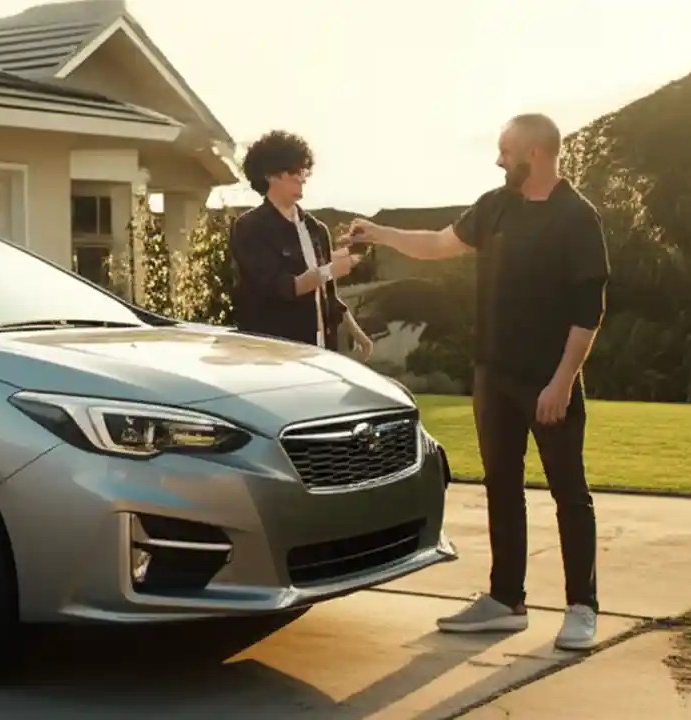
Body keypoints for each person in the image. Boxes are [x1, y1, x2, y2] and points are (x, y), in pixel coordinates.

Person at [344, 113, 610, 651]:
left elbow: (589, 312)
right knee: (501, 488)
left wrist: (562, 382)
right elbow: (438, 243)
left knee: (569, 495)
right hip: (494, 374)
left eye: (504, 150)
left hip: (548, 379)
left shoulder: (577, 218)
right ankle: (505, 600)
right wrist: (380, 233)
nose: (497, 159)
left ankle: (582, 606)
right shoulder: (497, 205)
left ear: (534, 153)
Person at [228, 130, 373, 358]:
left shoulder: (317, 230)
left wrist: (360, 337)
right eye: (293, 171)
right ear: (270, 175)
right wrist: (330, 269)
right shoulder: (250, 227)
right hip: (272, 355)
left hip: (322, 353)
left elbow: (329, 297)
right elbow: (281, 288)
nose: (301, 177)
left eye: (303, 170)